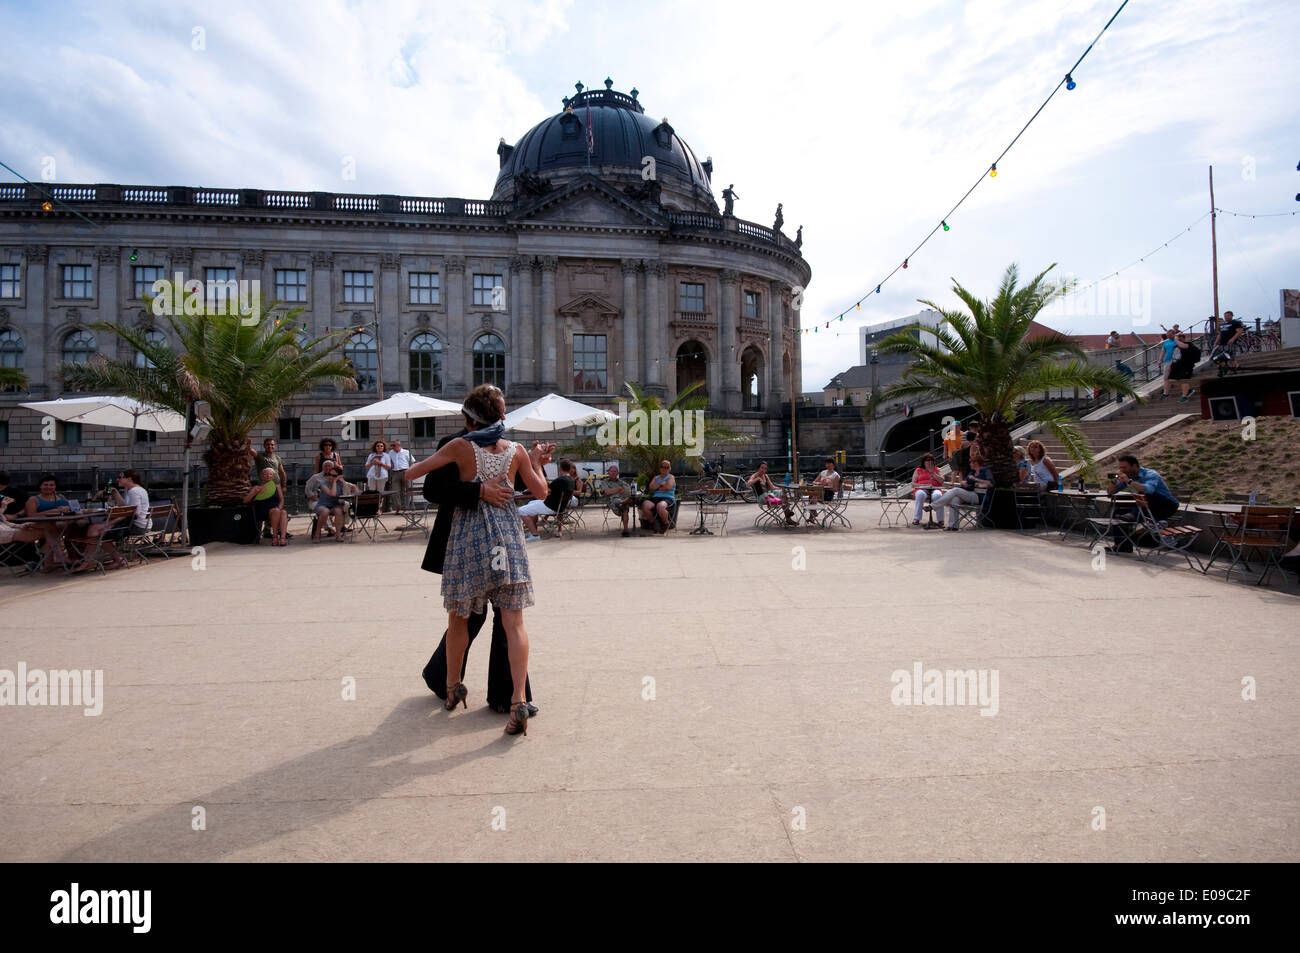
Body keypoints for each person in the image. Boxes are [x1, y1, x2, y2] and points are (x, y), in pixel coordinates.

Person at [403, 383, 551, 737]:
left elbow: (413, 475)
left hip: (469, 543)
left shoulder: (458, 446)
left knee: (460, 619)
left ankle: (453, 688)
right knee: (513, 623)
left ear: (468, 417)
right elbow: (543, 493)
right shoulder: (515, 450)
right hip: (507, 542)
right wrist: (533, 463)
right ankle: (517, 701)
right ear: (501, 416)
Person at [72, 470, 151, 571]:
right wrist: (115, 492)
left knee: (96, 530)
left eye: (120, 477)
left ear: (129, 479)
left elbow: (135, 513)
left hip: (136, 526)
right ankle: (92, 560)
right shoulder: (134, 490)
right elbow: (126, 507)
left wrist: (112, 522)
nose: (117, 479)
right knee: (95, 529)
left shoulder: (134, 491)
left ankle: (90, 560)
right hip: (139, 524)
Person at [1106, 452, 1180, 553]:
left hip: (1165, 505)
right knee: (1118, 513)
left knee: (1146, 494)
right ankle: (1123, 546)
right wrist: (1113, 482)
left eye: (1125, 468)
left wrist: (1129, 482)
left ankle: (1137, 517)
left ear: (1135, 466)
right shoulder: (1126, 476)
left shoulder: (1150, 474)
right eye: (1120, 468)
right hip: (1146, 508)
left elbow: (1149, 490)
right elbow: (1110, 492)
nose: (1122, 470)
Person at [933, 451, 994, 531]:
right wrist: (963, 482)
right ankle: (953, 526)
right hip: (970, 494)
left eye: (971, 462)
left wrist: (976, 479)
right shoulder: (972, 472)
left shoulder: (986, 470)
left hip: (980, 497)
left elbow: (991, 484)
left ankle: (933, 506)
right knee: (954, 499)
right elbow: (964, 482)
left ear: (976, 463)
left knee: (955, 490)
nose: (970, 464)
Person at [518, 458, 576, 541]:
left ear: (560, 468)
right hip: (561, 508)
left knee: (521, 511)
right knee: (531, 503)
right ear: (570, 468)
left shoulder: (560, 480)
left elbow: (545, 491)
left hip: (550, 506)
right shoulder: (571, 480)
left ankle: (535, 535)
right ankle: (533, 530)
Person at [311, 463, 357, 542]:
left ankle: (338, 534)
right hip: (323, 504)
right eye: (329, 474)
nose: (331, 477)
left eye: (334, 476)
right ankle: (317, 534)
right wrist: (335, 482)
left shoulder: (340, 484)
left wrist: (343, 482)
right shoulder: (323, 484)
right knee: (325, 511)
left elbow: (349, 493)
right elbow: (332, 494)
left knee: (339, 511)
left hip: (335, 505)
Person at [243, 467, 289, 545]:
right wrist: (254, 493)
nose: (268, 476)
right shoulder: (257, 487)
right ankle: (275, 537)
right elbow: (245, 501)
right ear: (261, 476)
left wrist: (279, 507)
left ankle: (282, 538)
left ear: (273, 476)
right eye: (265, 474)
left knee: (283, 512)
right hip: (262, 510)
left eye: (270, 474)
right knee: (276, 511)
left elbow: (281, 500)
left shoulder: (277, 486)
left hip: (275, 509)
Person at [639, 460, 677, 534]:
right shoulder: (656, 477)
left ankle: (665, 524)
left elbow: (668, 487)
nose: (664, 468)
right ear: (660, 468)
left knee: (660, 506)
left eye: (666, 467)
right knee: (645, 505)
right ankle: (653, 523)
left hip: (668, 498)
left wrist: (657, 486)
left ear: (669, 469)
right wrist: (661, 484)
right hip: (655, 497)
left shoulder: (671, 477)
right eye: (662, 467)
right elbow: (651, 487)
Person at [601, 464, 635, 536]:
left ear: (617, 473)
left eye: (615, 471)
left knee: (625, 506)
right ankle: (625, 502)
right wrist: (618, 489)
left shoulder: (621, 482)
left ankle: (626, 530)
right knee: (624, 504)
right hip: (612, 500)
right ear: (608, 472)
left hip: (624, 499)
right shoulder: (605, 482)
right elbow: (606, 492)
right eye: (611, 471)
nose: (613, 473)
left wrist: (618, 490)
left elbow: (629, 491)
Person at [911, 453, 945, 526]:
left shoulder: (937, 469)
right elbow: (913, 484)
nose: (930, 462)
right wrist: (924, 485)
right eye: (927, 460)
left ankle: (940, 519)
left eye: (931, 460)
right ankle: (917, 518)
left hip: (935, 488)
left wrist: (933, 473)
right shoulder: (918, 470)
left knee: (938, 495)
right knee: (920, 494)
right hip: (922, 489)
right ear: (923, 462)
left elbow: (942, 481)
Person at [807, 458, 841, 525]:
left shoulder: (836, 475)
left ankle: (812, 515)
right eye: (826, 463)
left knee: (813, 495)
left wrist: (826, 486)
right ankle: (813, 513)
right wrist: (819, 483)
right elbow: (814, 481)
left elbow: (836, 489)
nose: (827, 465)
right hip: (819, 492)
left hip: (828, 494)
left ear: (833, 465)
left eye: (829, 463)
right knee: (812, 494)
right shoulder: (823, 472)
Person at [1169, 332, 1200, 402]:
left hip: (1186, 366)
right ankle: (1188, 390)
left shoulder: (1188, 344)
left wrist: (1176, 339)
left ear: (1183, 338)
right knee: (1172, 380)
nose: (1179, 339)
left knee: (1183, 380)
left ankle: (1184, 397)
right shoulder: (1176, 346)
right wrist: (1170, 364)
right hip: (1177, 365)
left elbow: (1184, 346)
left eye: (1180, 338)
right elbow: (1174, 356)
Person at [1213, 310, 1246, 376]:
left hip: (1231, 344)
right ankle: (1225, 368)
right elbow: (1220, 334)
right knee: (1219, 358)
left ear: (1231, 316)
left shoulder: (1235, 323)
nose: (1226, 317)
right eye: (1225, 316)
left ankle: (1234, 370)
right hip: (1222, 344)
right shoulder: (1222, 324)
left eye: (1228, 316)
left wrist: (1233, 339)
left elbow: (1239, 332)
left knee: (1231, 358)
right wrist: (1216, 342)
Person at [387, 439, 412, 512]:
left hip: (405, 471)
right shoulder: (390, 452)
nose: (392, 447)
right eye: (392, 445)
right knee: (395, 491)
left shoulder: (406, 452)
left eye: (394, 445)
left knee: (406, 490)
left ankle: (405, 507)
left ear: (399, 445)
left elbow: (412, 461)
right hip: (395, 472)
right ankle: (398, 507)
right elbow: (389, 461)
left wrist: (411, 471)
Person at [1159, 328, 1178, 397]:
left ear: (1173, 334)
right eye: (1167, 335)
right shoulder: (1166, 342)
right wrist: (1160, 360)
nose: (1169, 336)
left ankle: (1187, 389)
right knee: (1166, 378)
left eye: (1170, 335)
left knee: (1177, 377)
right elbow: (1163, 351)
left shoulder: (1177, 341)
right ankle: (1166, 393)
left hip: (1176, 361)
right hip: (1167, 361)